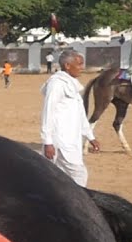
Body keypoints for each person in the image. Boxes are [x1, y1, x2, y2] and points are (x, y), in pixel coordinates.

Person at [40, 49, 100, 187]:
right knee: (79, 175)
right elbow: (48, 112)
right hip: (60, 141)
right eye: (79, 64)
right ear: (67, 65)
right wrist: (47, 141)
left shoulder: (71, 84)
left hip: (72, 140)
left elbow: (80, 115)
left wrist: (90, 137)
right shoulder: (57, 84)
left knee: (57, 179)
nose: (82, 68)